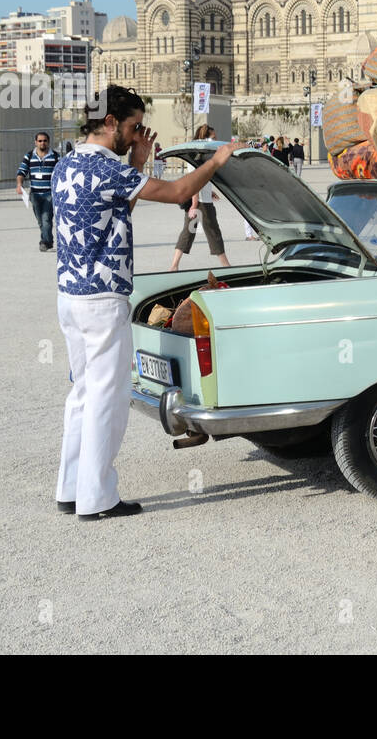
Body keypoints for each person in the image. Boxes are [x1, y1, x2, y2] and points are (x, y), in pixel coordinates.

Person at [52, 86, 241, 521]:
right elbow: (178, 193)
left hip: (71, 295)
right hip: (101, 299)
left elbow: (109, 211)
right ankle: (96, 498)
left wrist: (136, 162)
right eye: (134, 126)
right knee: (107, 397)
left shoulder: (70, 162)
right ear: (112, 123)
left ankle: (70, 488)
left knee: (82, 393)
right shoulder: (105, 169)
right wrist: (215, 161)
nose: (139, 134)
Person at [169, 124, 231, 271]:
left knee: (188, 232)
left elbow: (203, 179)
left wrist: (209, 191)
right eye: (213, 137)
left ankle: (174, 265)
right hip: (201, 203)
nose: (215, 140)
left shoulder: (197, 154)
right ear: (206, 137)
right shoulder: (199, 155)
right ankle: (226, 265)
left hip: (200, 200)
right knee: (213, 232)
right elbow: (194, 181)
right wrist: (194, 204)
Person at [16, 131, 61, 251]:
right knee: (40, 221)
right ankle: (48, 241)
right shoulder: (29, 156)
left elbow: (62, 173)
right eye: (40, 141)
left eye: (45, 140)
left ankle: (44, 242)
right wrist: (19, 184)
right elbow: (22, 171)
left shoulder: (56, 156)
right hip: (35, 194)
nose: (42, 143)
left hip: (49, 194)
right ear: (35, 142)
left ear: (48, 142)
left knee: (46, 219)